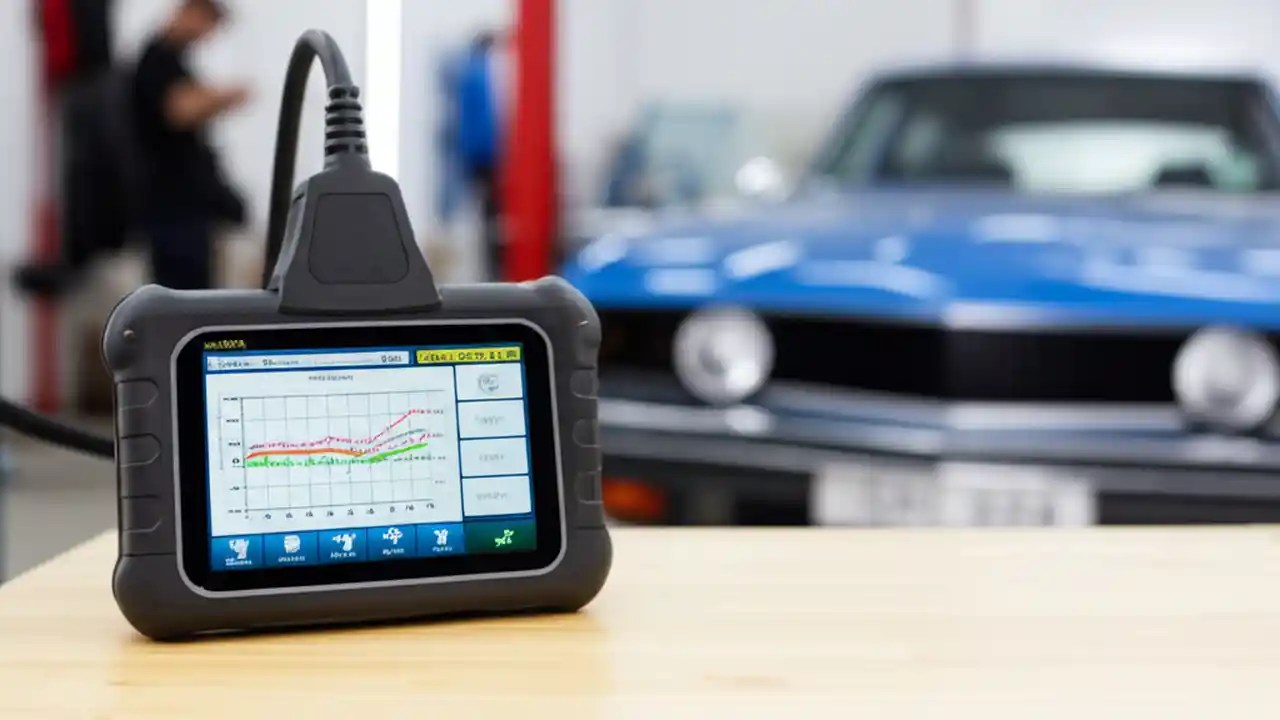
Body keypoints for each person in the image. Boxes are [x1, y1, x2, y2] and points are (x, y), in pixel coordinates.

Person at [131, 0, 247, 290]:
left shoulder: (175, 61)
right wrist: (224, 97)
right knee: (182, 300)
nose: (206, 36)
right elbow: (179, 109)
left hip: (189, 209)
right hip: (171, 209)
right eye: (207, 25)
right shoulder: (157, 58)